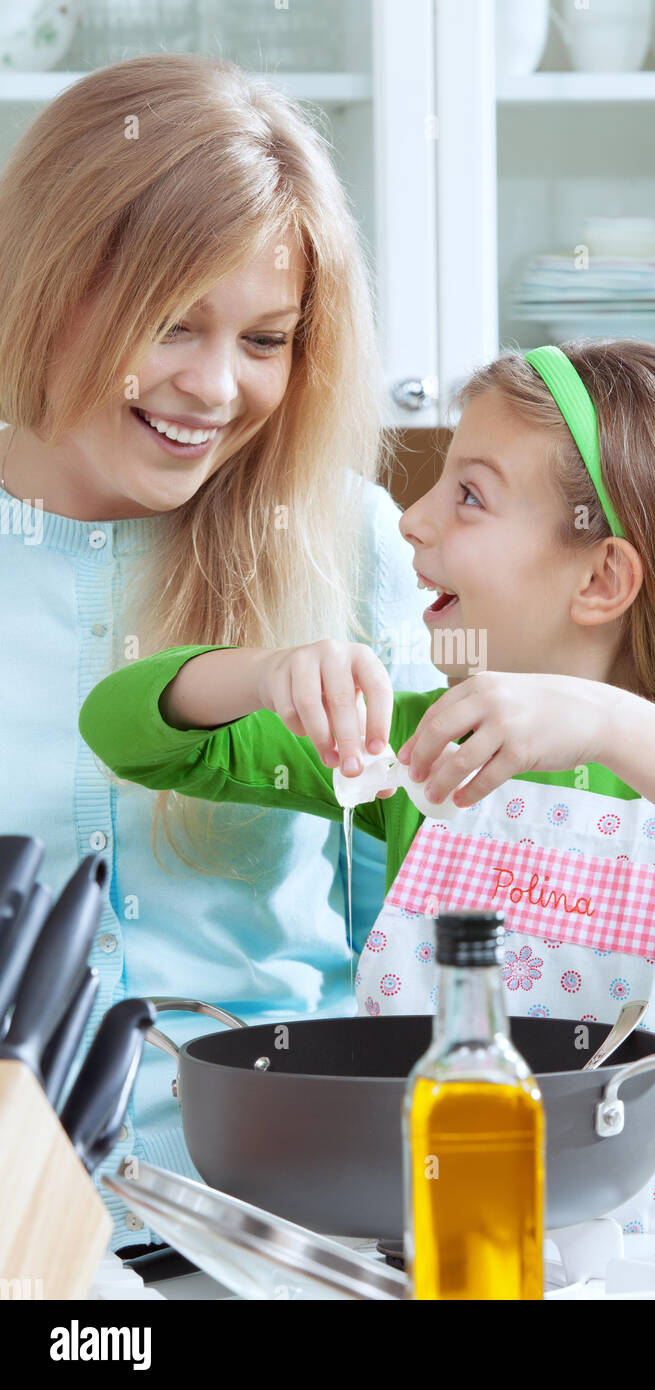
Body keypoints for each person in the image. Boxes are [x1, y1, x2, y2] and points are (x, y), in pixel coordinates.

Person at [78, 339, 655, 1234]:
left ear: (602, 576)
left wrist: (609, 722)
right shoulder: (421, 743)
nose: (413, 520)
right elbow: (124, 732)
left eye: (469, 496)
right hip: (419, 1242)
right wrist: (264, 674)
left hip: (649, 1261)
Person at [0, 52, 440, 1253]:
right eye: (173, 322)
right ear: (46, 284)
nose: (216, 385)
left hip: (295, 1230)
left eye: (266, 336)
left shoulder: (344, 541)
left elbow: (419, 916)